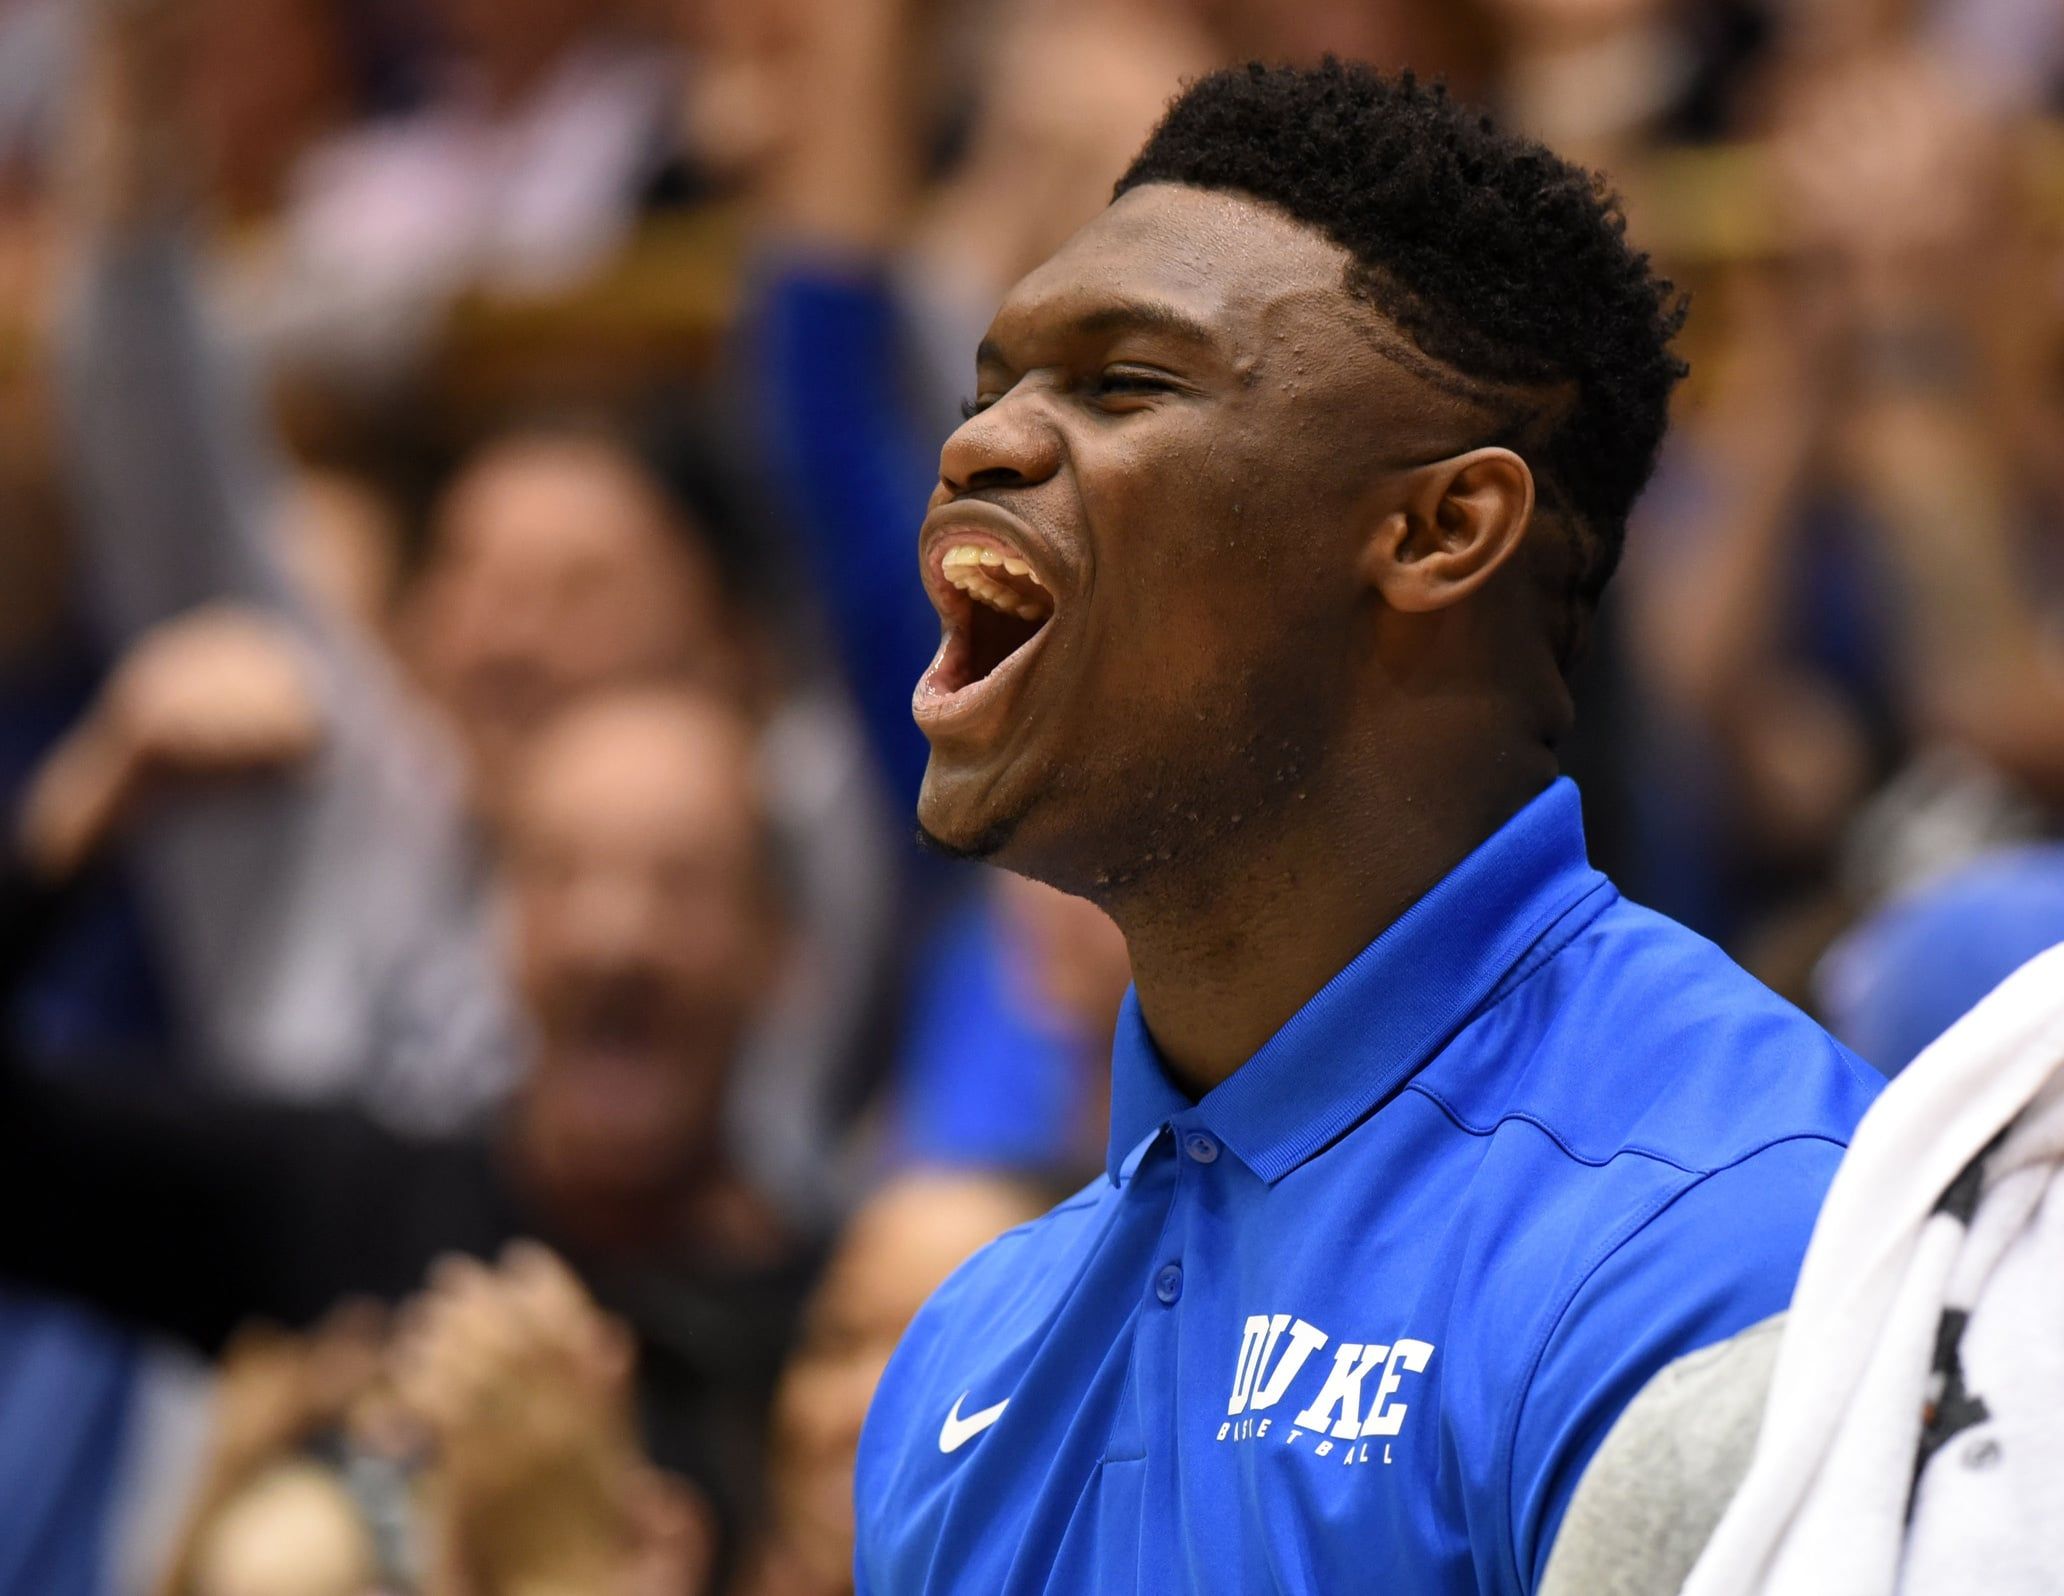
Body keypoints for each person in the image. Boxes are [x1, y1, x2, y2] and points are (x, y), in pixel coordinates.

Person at [853, 60, 1882, 1596]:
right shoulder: (965, 1348)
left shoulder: (1728, 1235)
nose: (983, 447)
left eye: (1125, 384)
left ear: (1436, 530)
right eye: (990, 388)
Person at [1, 684, 818, 1562]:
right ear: (503, 924)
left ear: (776, 947)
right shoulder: (335, 1199)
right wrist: (85, 805)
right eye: (563, 871)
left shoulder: (830, 1341)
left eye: (682, 882)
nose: (615, 935)